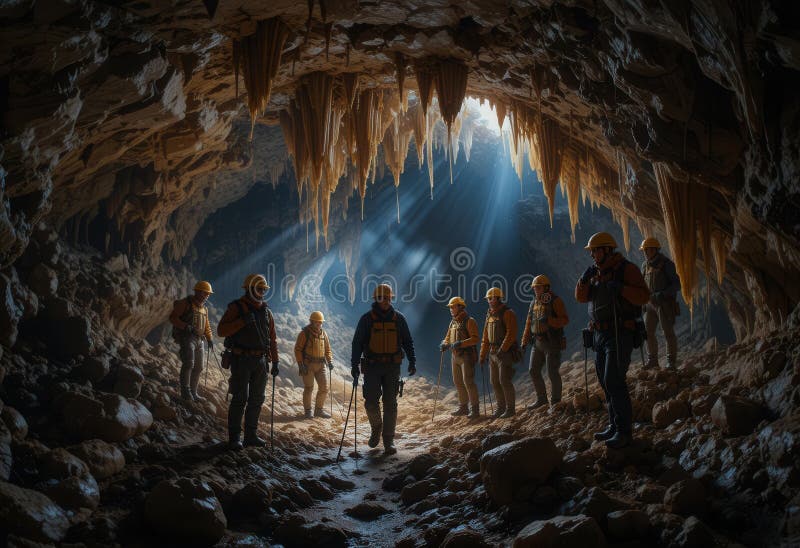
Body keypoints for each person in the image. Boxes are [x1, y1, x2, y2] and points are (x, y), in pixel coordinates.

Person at [575, 232, 650, 449]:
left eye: (596, 250)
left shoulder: (627, 269)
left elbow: (644, 296)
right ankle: (613, 426)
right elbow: (581, 298)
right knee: (605, 382)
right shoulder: (595, 274)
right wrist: (583, 279)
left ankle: (624, 431)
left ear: (607, 250)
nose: (592, 255)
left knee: (614, 380)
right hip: (599, 334)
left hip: (620, 332)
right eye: (591, 251)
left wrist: (622, 289)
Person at [351, 283, 416, 455]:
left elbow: (407, 341)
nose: (385, 301)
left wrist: (412, 360)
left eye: (388, 298)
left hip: (392, 367)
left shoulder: (399, 319)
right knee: (371, 402)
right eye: (382, 298)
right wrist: (354, 365)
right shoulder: (367, 319)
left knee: (390, 404)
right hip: (372, 366)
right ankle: (376, 427)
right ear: (376, 299)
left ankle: (388, 440)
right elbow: (357, 343)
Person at [217, 273, 279, 450]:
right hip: (241, 359)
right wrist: (242, 321)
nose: (262, 292)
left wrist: (275, 362)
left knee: (257, 398)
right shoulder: (236, 308)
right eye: (259, 289)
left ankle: (250, 435)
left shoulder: (267, 312)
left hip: (260, 361)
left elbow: (272, 339)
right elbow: (221, 330)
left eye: (264, 289)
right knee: (240, 398)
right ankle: (234, 437)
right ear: (250, 288)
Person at [521, 275, 569, 409]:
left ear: (546, 287)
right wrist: (524, 341)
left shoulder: (555, 301)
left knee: (552, 372)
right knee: (533, 370)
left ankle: (555, 402)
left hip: (552, 341)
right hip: (537, 342)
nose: (536, 290)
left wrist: (550, 321)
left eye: (538, 287)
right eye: (534, 288)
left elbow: (565, 319)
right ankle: (542, 399)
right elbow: (528, 323)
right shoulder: (534, 303)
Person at [169, 281, 215, 402]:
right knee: (189, 363)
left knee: (199, 367)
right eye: (205, 293)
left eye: (208, 294)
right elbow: (173, 318)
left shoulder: (204, 309)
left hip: (200, 341)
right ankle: (186, 392)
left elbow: (206, 326)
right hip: (187, 338)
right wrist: (185, 326)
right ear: (198, 292)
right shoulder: (185, 303)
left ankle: (194, 392)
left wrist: (210, 338)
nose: (207, 296)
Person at [639, 237, 681, 369]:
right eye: (644, 250)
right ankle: (652, 360)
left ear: (655, 249)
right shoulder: (644, 266)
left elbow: (677, 284)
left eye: (648, 250)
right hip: (649, 305)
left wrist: (662, 294)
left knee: (668, 332)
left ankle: (671, 361)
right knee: (647, 332)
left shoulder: (667, 264)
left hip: (664, 304)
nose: (645, 252)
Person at [479, 287, 519, 418]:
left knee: (504, 380)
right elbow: (485, 336)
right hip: (492, 353)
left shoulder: (507, 313)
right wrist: (482, 355)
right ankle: (500, 408)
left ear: (498, 298)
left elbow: (511, 333)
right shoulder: (489, 314)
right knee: (494, 381)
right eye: (488, 299)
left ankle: (510, 409)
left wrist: (503, 349)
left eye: (491, 298)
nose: (489, 301)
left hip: (504, 353)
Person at [440, 296, 480, 418]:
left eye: (453, 307)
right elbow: (447, 337)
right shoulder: (453, 322)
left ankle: (475, 409)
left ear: (460, 307)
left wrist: (461, 343)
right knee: (458, 381)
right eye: (450, 307)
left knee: (468, 382)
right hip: (455, 356)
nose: (451, 309)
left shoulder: (469, 321)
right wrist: (444, 344)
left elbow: (475, 339)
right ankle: (463, 407)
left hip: (466, 356)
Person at [294, 311, 333, 419]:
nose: (319, 325)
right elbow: (298, 350)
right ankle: (308, 411)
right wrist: (301, 364)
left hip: (321, 365)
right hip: (308, 365)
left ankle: (318, 410)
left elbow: (328, 349)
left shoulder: (324, 334)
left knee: (324, 388)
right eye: (317, 322)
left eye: (320, 323)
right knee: (309, 388)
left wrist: (330, 361)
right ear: (312, 322)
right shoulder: (304, 333)